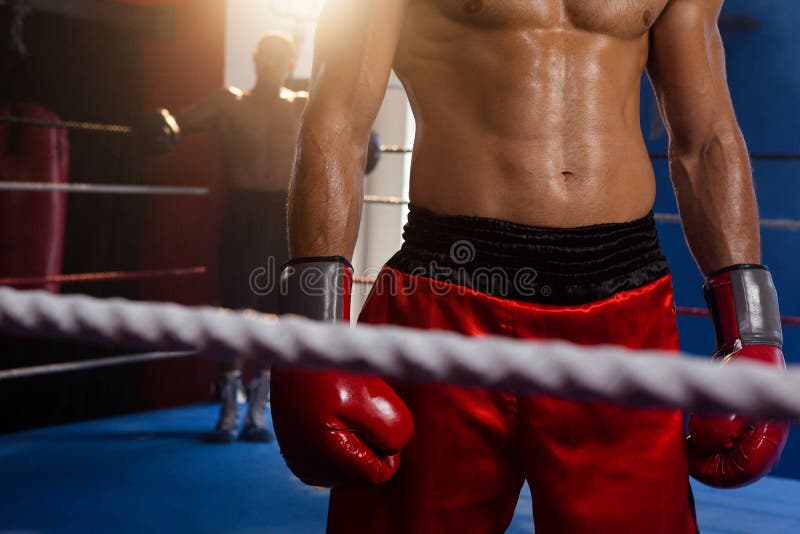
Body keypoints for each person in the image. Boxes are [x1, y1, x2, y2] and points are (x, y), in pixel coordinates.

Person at [270, 1, 789, 533]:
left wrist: (752, 330)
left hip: (622, 308)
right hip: (447, 295)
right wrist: (311, 332)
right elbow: (338, 117)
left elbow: (706, 138)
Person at [158, 33, 306, 442]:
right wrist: (162, 124)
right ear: (255, 58)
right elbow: (179, 122)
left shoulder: (302, 105)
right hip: (243, 211)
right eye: (267, 56)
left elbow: (341, 131)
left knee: (274, 311)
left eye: (281, 58)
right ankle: (228, 407)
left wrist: (366, 140)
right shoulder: (229, 102)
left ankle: (257, 410)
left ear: (290, 63)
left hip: (282, 214)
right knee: (235, 309)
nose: (273, 64)